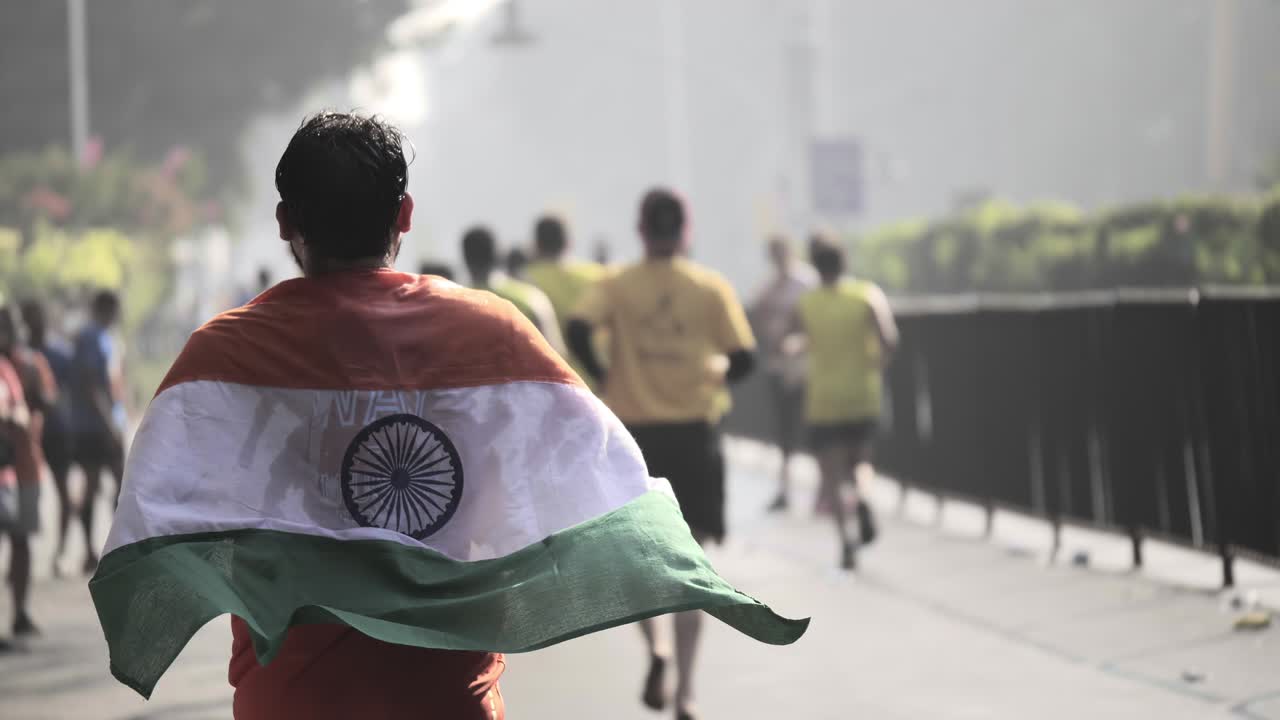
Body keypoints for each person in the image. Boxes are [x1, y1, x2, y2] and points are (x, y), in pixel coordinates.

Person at [86, 112, 805, 717]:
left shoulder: (224, 357)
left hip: (292, 699)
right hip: (447, 697)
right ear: (404, 215)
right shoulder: (493, 333)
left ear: (284, 224)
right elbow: (601, 478)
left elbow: (158, 517)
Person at [568, 188, 756, 720]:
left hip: (636, 439)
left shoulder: (618, 285)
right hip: (695, 435)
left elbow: (579, 326)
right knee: (691, 560)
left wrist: (606, 375)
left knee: (638, 558)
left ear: (642, 230)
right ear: (687, 231)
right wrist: (713, 379)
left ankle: (657, 649)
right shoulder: (709, 287)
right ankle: (688, 691)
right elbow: (745, 358)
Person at [787, 233, 898, 570]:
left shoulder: (806, 304)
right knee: (862, 462)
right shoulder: (866, 295)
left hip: (823, 400)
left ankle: (846, 542)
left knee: (832, 476)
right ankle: (863, 497)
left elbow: (795, 341)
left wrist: (794, 354)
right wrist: (875, 367)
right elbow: (889, 339)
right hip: (863, 395)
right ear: (844, 261)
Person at [748, 235, 817, 512]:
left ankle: (822, 491)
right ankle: (785, 490)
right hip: (778, 365)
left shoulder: (806, 283)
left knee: (813, 428)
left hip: (804, 365)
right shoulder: (770, 286)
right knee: (784, 431)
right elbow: (757, 314)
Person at [70, 289, 127, 574]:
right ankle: (90, 549)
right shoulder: (90, 337)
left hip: (109, 421)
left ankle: (113, 545)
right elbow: (92, 385)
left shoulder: (110, 338)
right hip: (94, 426)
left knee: (121, 482)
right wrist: (109, 423)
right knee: (93, 484)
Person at [0, 301, 46, 642]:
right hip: (9, 471)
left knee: (22, 541)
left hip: (24, 467)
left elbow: (43, 403)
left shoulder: (27, 364)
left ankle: (20, 612)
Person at [19, 299, 75, 576]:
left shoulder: (58, 353)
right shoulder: (17, 354)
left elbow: (68, 391)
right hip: (24, 437)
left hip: (56, 432)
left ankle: (61, 552)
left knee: (63, 492)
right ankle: (21, 555)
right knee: (24, 495)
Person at [525, 215, 606, 383]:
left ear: (536, 244)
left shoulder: (524, 280)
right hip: (597, 383)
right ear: (569, 242)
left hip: (554, 384)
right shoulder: (599, 276)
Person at [460, 225, 565, 353]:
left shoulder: (455, 303)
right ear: (498, 255)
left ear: (465, 258)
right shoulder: (531, 299)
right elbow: (555, 352)